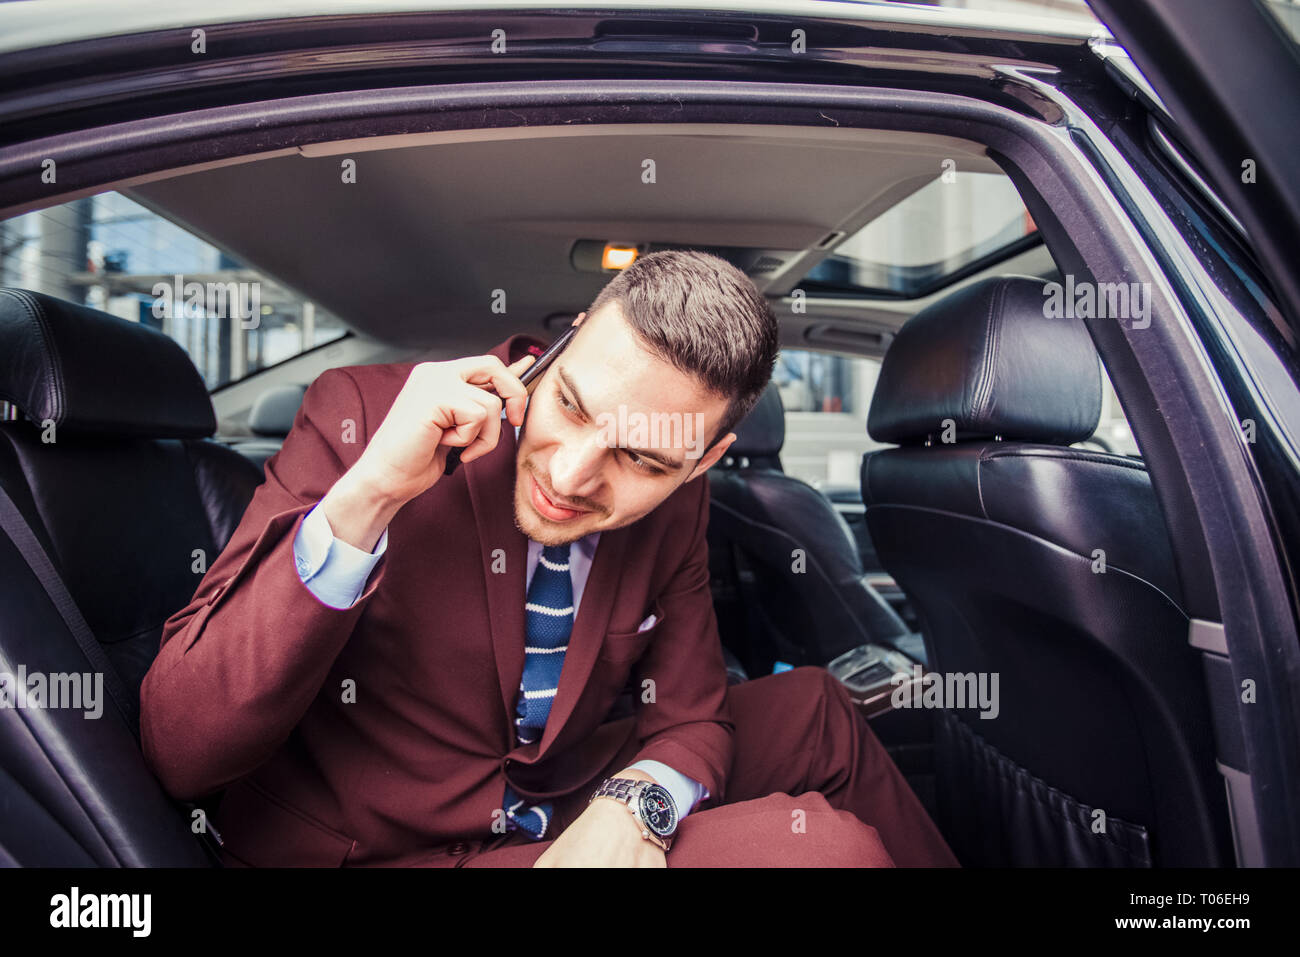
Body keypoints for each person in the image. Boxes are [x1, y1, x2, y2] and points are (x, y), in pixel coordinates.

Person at [140, 249, 958, 868]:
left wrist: (638, 803)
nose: (569, 477)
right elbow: (183, 753)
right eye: (570, 405)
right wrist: (370, 495)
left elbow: (691, 711)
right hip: (374, 851)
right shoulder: (362, 417)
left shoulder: (679, 499)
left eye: (642, 459)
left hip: (549, 801)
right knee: (816, 852)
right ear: (555, 350)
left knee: (815, 705)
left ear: (703, 462)